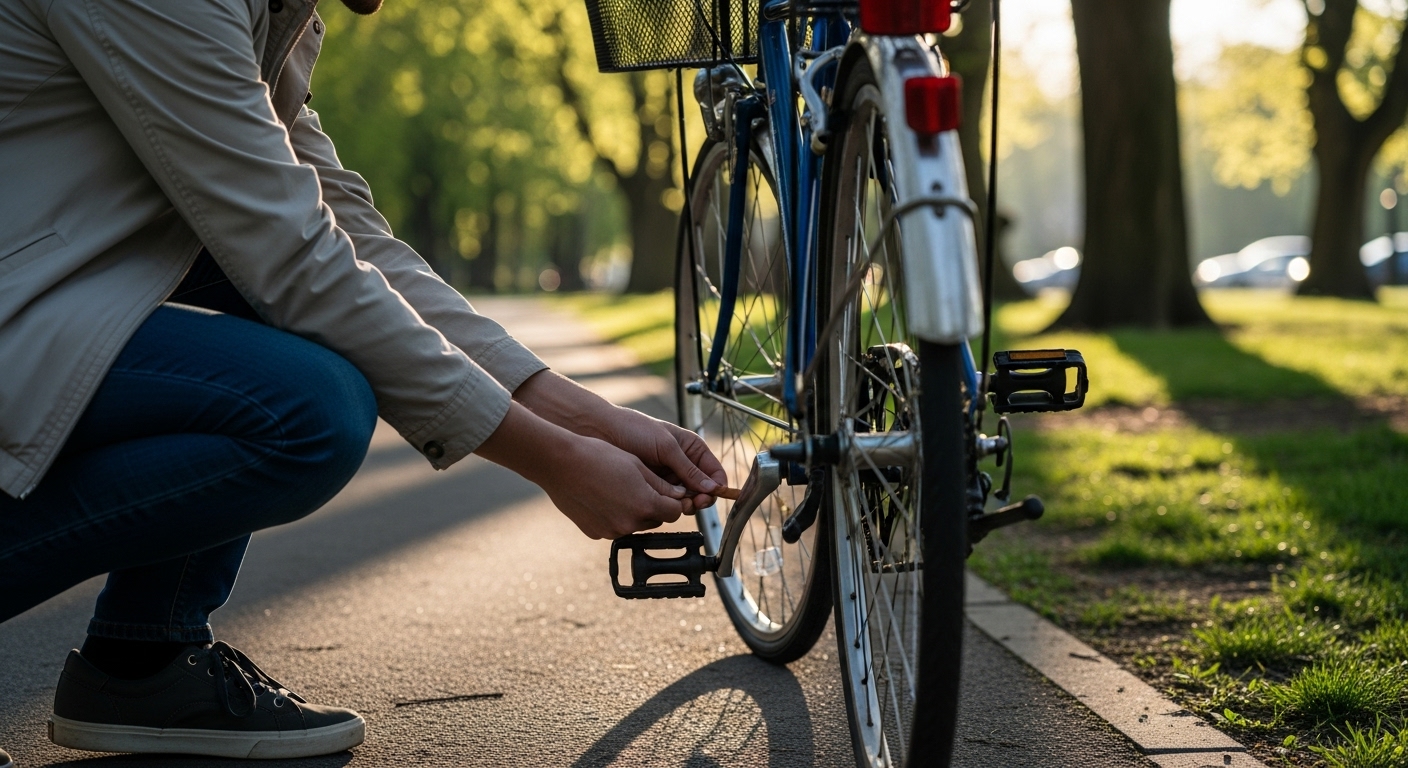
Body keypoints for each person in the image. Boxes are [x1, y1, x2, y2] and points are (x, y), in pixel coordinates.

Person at [0, 0, 726, 761]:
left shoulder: (268, 12)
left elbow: (348, 237)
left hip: (51, 293)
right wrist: (556, 462)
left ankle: (142, 661)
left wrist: (588, 419)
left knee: (291, 328)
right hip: (28, 305)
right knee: (309, 410)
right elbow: (289, 254)